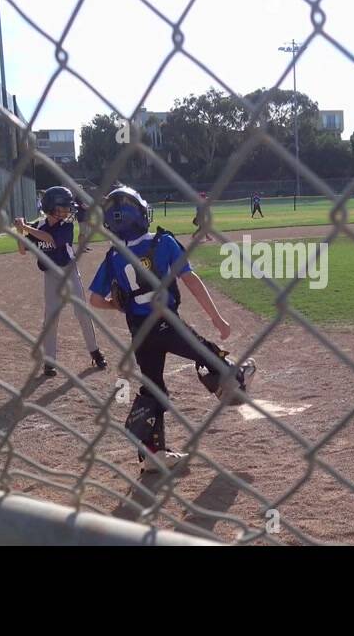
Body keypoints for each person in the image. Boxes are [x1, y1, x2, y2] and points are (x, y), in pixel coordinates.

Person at [88, 185, 255, 474]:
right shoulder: (163, 241)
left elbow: (93, 300)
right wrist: (216, 317)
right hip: (167, 324)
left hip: (140, 332)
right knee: (206, 351)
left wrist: (119, 306)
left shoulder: (114, 256)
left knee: (153, 389)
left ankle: (153, 455)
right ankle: (233, 380)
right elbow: (190, 281)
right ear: (140, 214)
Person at [13, 186, 106, 377]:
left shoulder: (66, 226)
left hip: (69, 272)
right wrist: (19, 231)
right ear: (51, 208)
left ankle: (95, 352)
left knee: (82, 313)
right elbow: (23, 250)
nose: (67, 211)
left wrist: (26, 227)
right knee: (51, 318)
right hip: (51, 276)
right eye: (63, 207)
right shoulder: (38, 226)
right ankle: (49, 361)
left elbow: (51, 239)